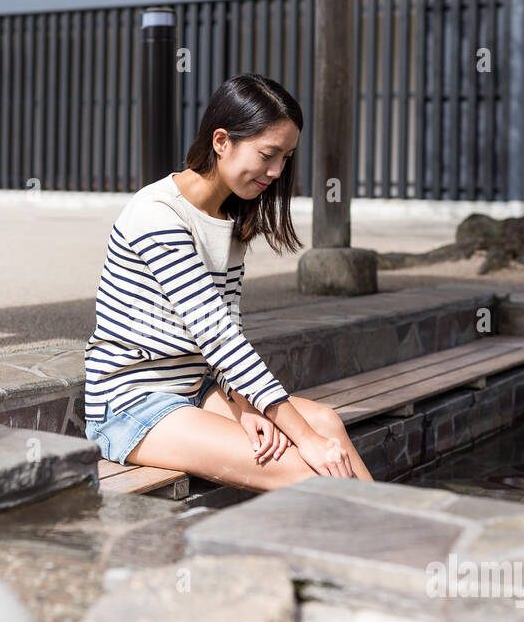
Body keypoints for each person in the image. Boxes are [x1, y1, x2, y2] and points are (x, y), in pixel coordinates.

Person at [82, 73, 374, 491]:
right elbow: (218, 336)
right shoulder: (158, 213)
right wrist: (301, 438)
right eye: (268, 154)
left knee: (327, 424)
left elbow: (224, 335)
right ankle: (382, 548)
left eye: (287, 158)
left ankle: (400, 543)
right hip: (131, 403)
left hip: (195, 389)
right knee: (308, 468)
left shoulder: (231, 217)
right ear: (222, 141)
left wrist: (246, 403)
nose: (276, 171)